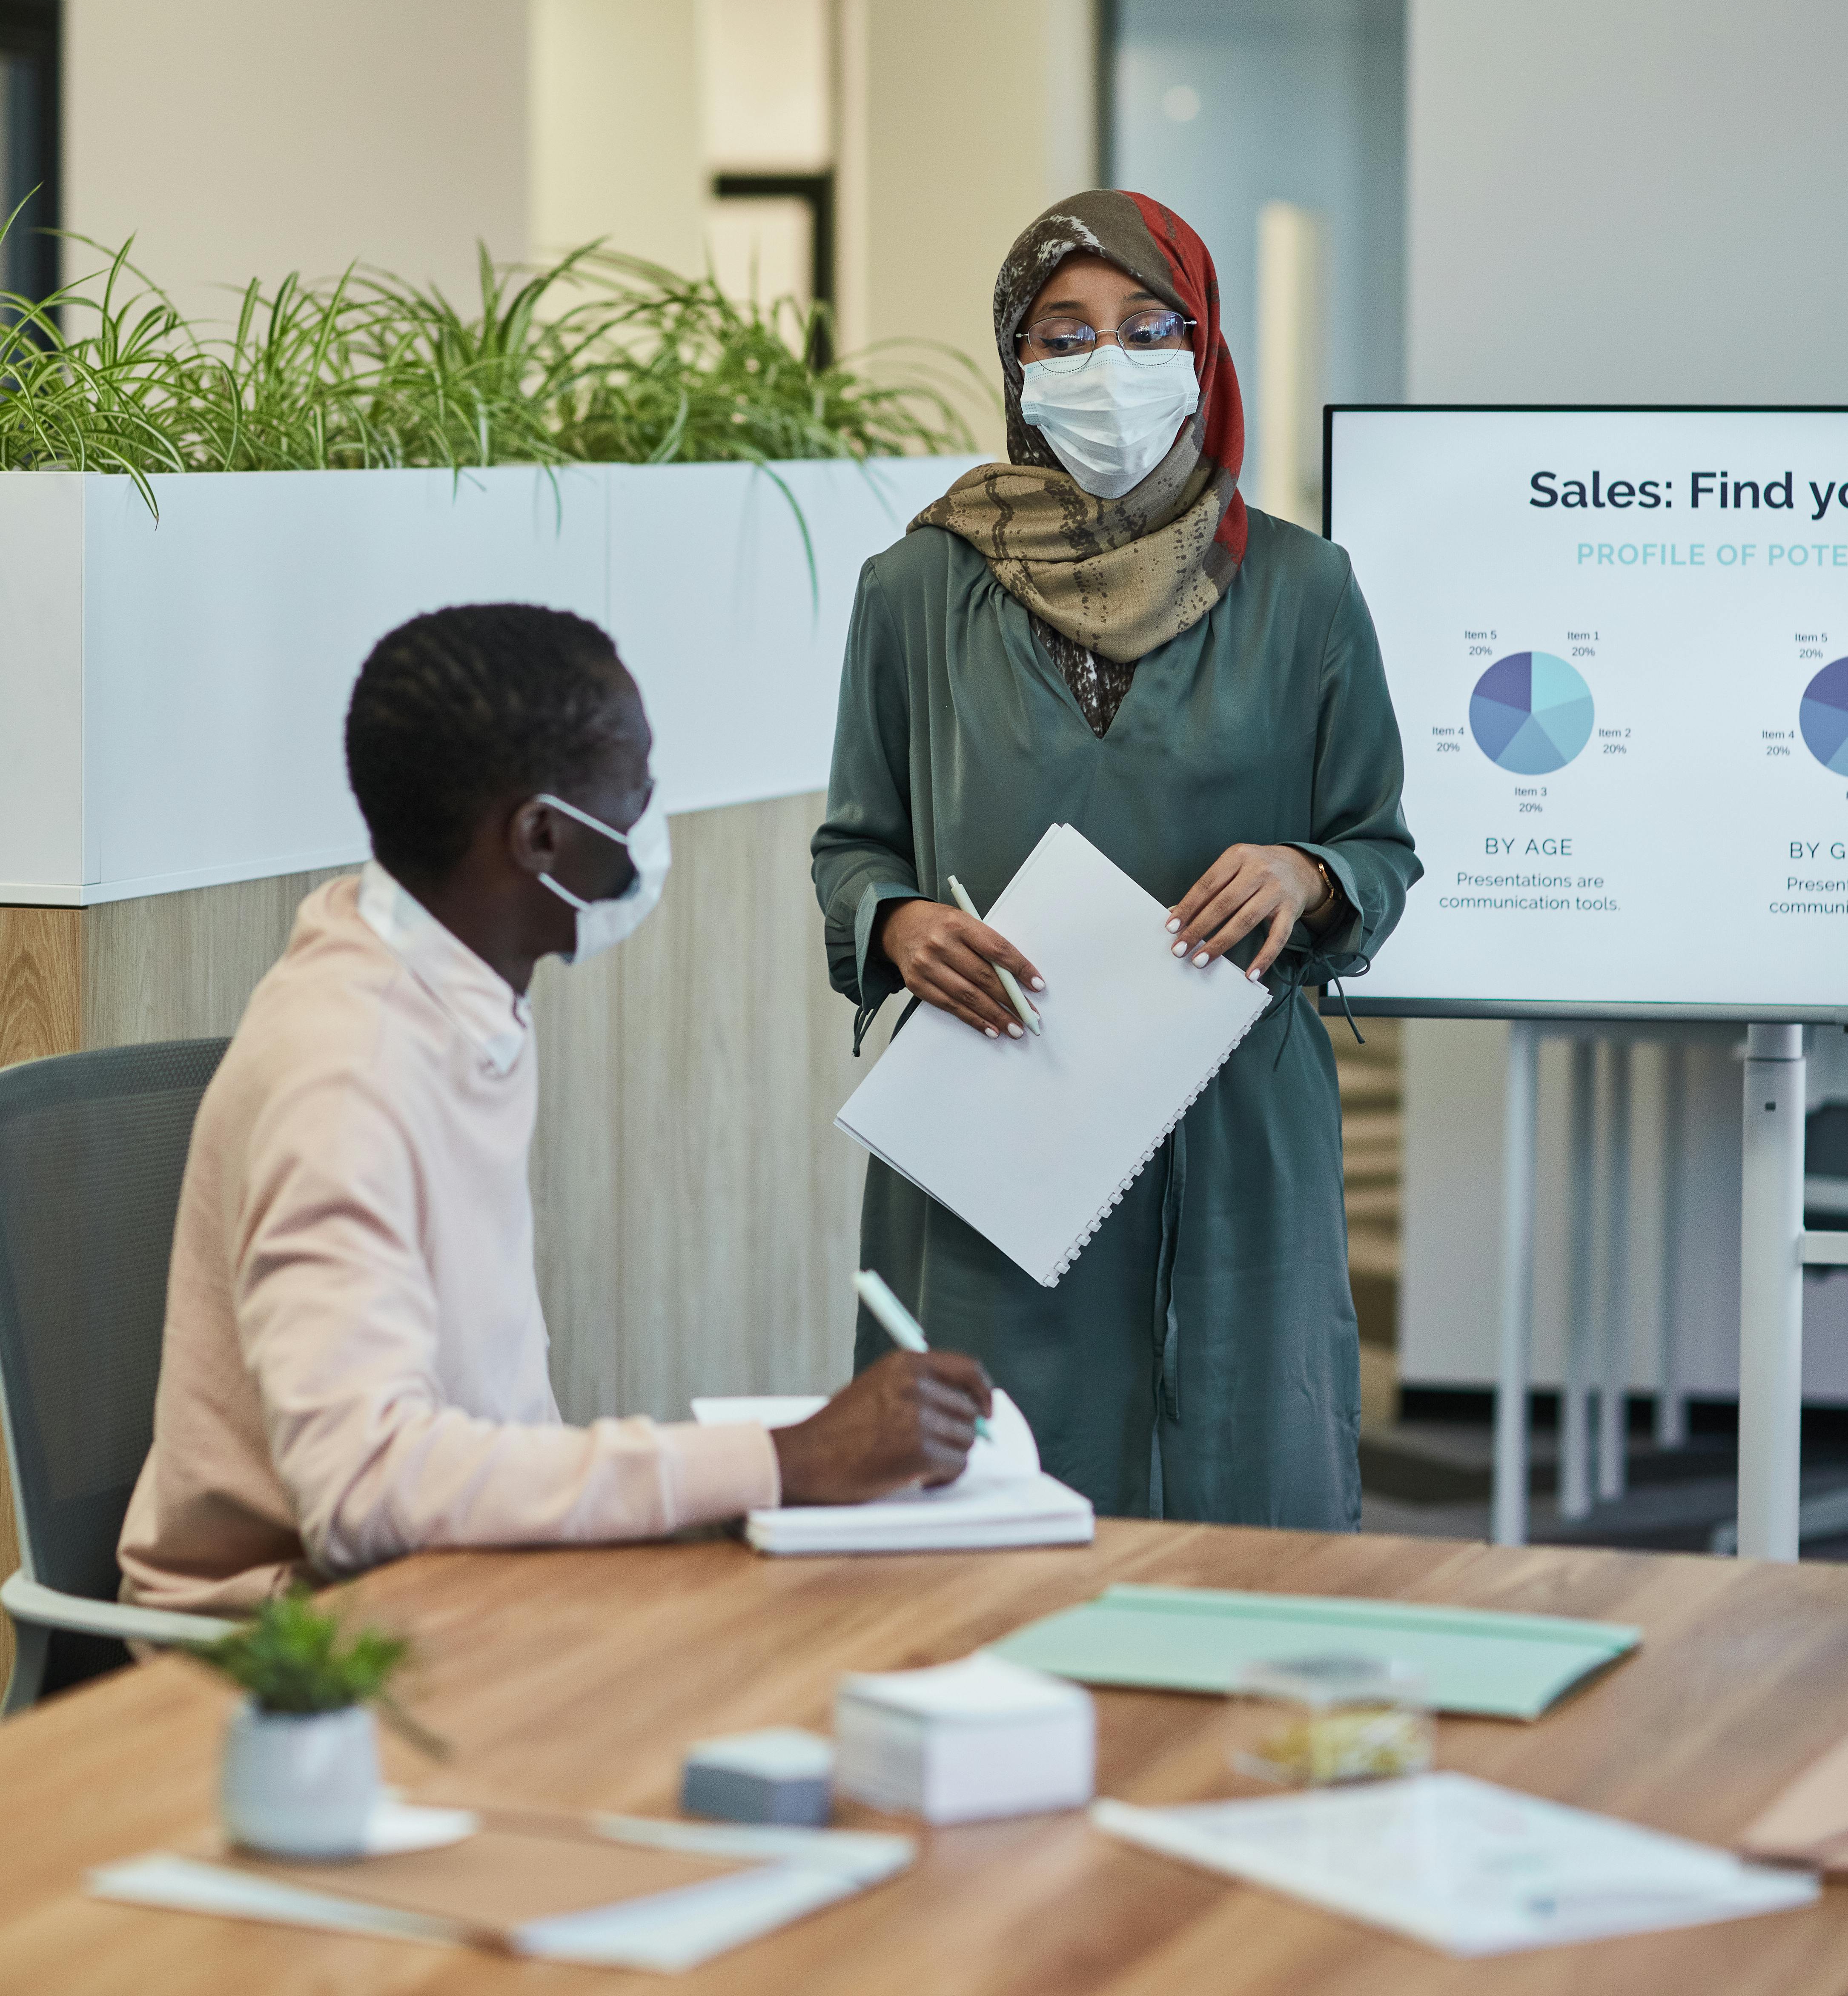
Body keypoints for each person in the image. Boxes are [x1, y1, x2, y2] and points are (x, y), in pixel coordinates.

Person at [121, 602, 990, 1613]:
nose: (649, 821)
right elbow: (362, 1490)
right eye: (636, 792)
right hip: (300, 1647)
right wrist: (781, 1460)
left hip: (463, 1586)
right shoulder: (347, 1076)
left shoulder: (452, 987)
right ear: (540, 835)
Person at [811, 190, 1419, 1528]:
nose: (1107, 367)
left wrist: (1307, 875)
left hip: (1232, 1117)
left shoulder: (1304, 590)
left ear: (1200, 350)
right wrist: (898, 922)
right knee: (984, 1487)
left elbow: (1376, 844)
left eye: (1149, 329)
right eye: (1063, 333)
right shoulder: (913, 591)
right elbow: (855, 845)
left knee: (1240, 1472)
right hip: (996, 1104)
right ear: (1015, 365)